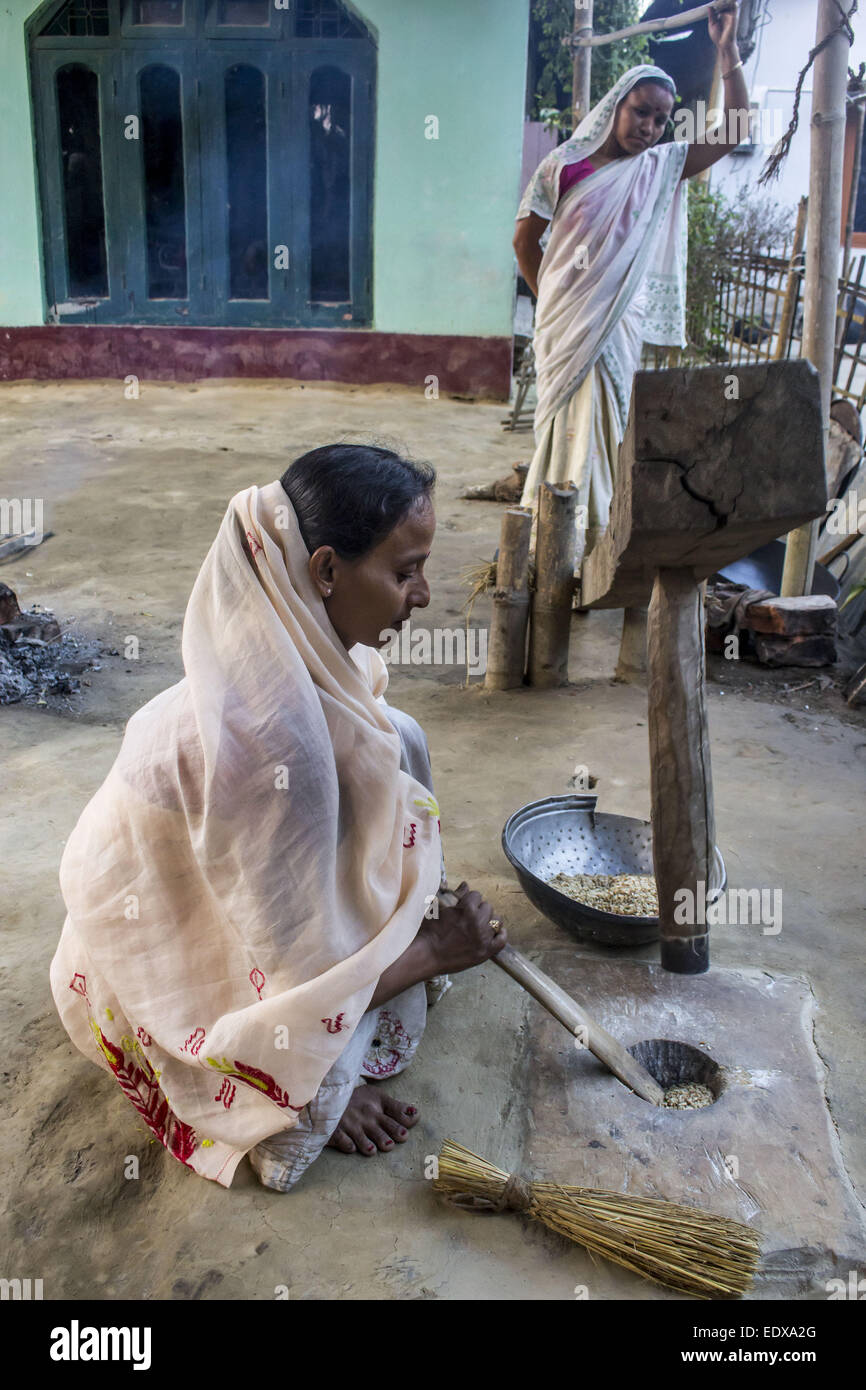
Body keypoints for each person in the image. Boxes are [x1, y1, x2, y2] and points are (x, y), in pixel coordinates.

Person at [49, 444, 507, 1192]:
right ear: (325, 571)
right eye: (403, 572)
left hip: (214, 889)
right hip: (142, 975)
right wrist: (432, 956)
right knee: (308, 1056)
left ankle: (402, 945)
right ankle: (300, 1084)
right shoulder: (277, 755)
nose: (424, 595)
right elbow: (287, 985)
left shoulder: (305, 650)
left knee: (403, 738)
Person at [513, 2, 749, 567]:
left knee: (605, 432)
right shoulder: (563, 168)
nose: (650, 128)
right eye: (641, 113)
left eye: (661, 120)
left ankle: (592, 549)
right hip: (565, 325)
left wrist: (727, 49)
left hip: (617, 324)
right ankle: (553, 545)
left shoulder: (662, 165)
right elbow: (525, 243)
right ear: (616, 106)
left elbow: (736, 132)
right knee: (562, 430)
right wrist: (556, 304)